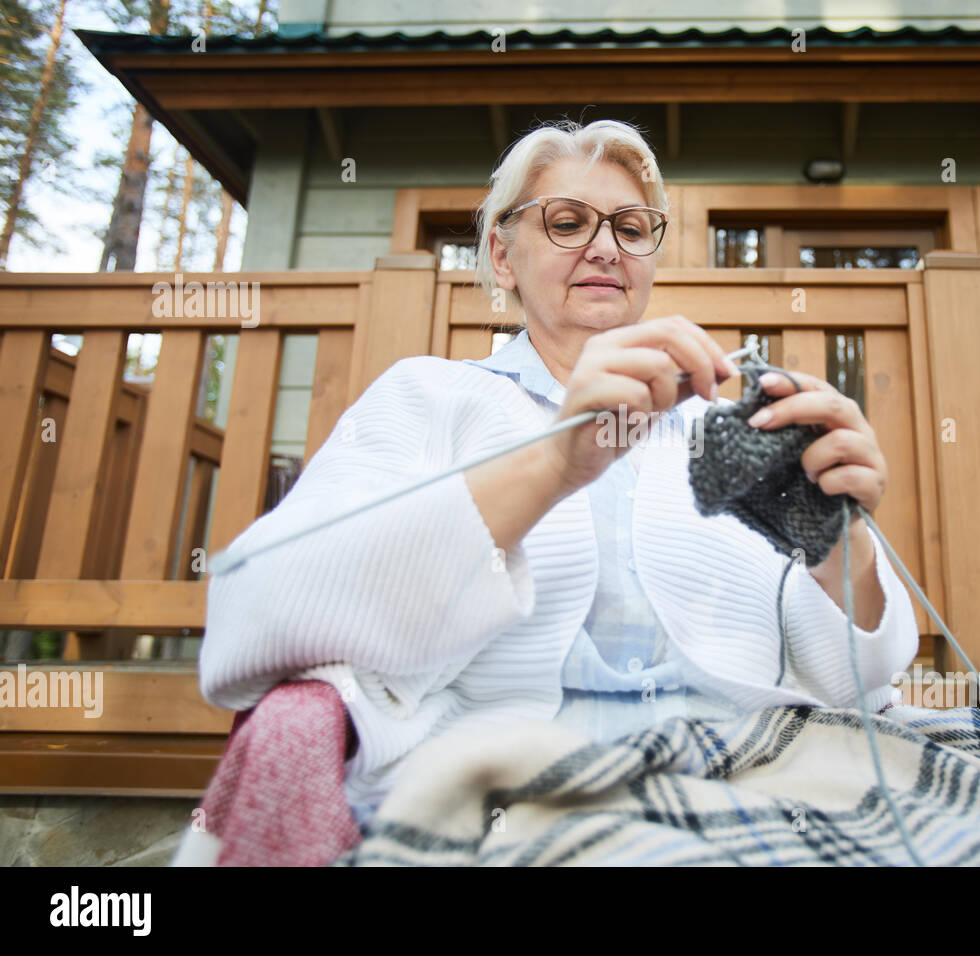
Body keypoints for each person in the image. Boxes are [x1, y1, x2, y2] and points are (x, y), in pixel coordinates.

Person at [198, 118, 919, 832]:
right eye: (567, 222)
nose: (606, 247)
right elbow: (256, 615)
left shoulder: (723, 436)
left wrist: (837, 540)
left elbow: (855, 682)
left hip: (749, 779)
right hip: (505, 796)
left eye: (632, 228)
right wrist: (553, 464)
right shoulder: (430, 397)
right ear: (503, 256)